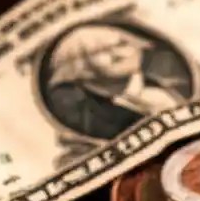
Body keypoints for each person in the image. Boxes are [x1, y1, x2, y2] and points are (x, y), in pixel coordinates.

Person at [45, 24, 188, 138]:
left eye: (121, 44)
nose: (117, 54)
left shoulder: (170, 87)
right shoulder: (84, 116)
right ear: (79, 66)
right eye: (99, 52)